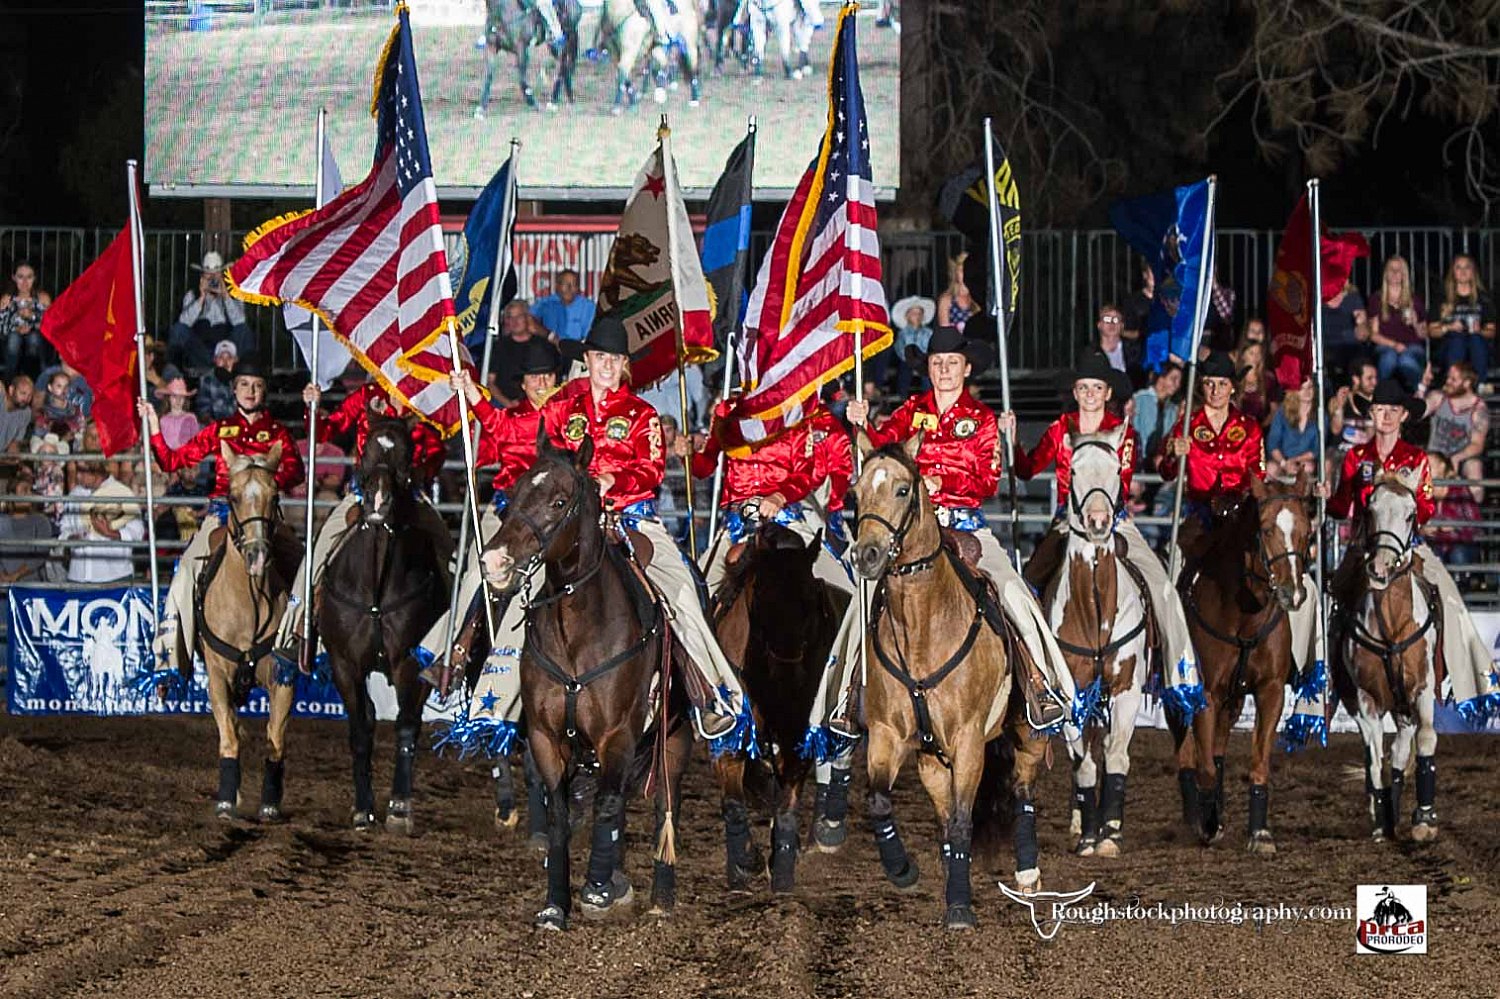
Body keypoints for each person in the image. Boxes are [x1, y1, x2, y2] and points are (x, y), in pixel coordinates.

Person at [826, 326, 1076, 733]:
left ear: (967, 368)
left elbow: (988, 482)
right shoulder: (909, 410)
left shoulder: (981, 419)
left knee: (1013, 591)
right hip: (910, 532)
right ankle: (845, 694)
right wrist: (861, 423)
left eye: (952, 363)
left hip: (966, 526)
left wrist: (947, 486)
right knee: (865, 597)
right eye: (937, 363)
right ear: (928, 368)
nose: (944, 370)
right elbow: (881, 451)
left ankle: (1042, 685)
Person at [1012, 352, 1203, 713]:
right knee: (1025, 587)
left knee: (1162, 587)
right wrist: (1012, 442)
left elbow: (1124, 480)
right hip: (1067, 522)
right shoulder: (1060, 428)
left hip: (1115, 521)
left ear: (1106, 391)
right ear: (1076, 390)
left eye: (1096, 388)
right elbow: (1026, 469)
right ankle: (1033, 677)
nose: (1089, 394)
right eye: (1083, 387)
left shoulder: (1123, 432)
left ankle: (1178, 674)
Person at [1328, 380, 1500, 722]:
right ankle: (1330, 684)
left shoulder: (1415, 457)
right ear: (1371, 414)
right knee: (1334, 601)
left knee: (1448, 599)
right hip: (1364, 546)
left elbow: (1426, 507)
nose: (1386, 416)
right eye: (1380, 410)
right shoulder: (1356, 456)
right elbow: (1341, 505)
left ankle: (1456, 678)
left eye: (1393, 411)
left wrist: (1401, 502)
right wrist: (1325, 497)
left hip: (1408, 547)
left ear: (1404, 415)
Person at [136, 362, 304, 679]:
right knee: (186, 568)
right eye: (244, 384)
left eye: (256, 385)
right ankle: (170, 657)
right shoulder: (220, 429)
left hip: (265, 516)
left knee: (306, 569)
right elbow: (172, 460)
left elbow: (295, 471)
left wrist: (261, 479)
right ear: (234, 389)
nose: (250, 391)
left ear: (264, 390)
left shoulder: (278, 432)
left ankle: (306, 647)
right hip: (222, 513)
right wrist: (155, 425)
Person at [1161, 349, 1318, 680]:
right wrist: (1174, 455)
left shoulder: (1248, 427)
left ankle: (1294, 662)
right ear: (1201, 387)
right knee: (1171, 574)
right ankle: (1172, 656)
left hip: (1239, 515)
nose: (1215, 390)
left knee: (1280, 569)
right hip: (1200, 516)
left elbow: (1255, 474)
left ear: (1233, 387)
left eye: (1221, 384)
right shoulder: (1186, 425)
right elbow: (1165, 472)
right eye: (1209, 384)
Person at [275, 376, 452, 665]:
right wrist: (313, 409)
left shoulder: (424, 398)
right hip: (362, 495)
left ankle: (453, 632)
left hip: (409, 496)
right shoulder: (367, 394)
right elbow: (327, 430)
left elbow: (436, 449)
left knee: (449, 553)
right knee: (320, 551)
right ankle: (298, 629)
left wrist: (420, 472)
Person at [688, 397, 852, 599]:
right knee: (695, 593)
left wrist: (779, 496)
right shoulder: (726, 413)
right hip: (738, 522)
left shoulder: (794, 414)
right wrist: (688, 456)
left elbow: (803, 475)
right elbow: (704, 468)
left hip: (785, 516)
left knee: (843, 586)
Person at [168, 252, 253, 373]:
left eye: (216, 274)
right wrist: (201, 297)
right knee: (178, 329)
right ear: (202, 275)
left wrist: (225, 296)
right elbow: (183, 323)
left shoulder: (233, 295)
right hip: (201, 347)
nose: (213, 278)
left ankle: (245, 373)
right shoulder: (192, 295)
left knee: (244, 330)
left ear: (222, 274)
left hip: (227, 348)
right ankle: (174, 376)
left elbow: (240, 322)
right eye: (209, 274)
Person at [60, 462, 143, 584]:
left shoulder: (122, 493)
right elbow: (64, 528)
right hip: (77, 578)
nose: (77, 476)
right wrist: (70, 538)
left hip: (115, 578)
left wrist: (110, 533)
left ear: (97, 472)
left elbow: (138, 532)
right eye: (77, 471)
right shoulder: (74, 495)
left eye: (82, 471)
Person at [1423, 360, 1488, 506]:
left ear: (1467, 383)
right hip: (1435, 455)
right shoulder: (1438, 398)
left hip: (1461, 456)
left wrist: (1457, 457)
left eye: (1453, 379)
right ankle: (1426, 516)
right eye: (1448, 378)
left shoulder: (1478, 409)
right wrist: (1423, 386)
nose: (1448, 382)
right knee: (1430, 466)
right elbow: (1414, 413)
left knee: (1474, 468)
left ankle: (1471, 517)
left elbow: (1477, 444)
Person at [1428, 254, 1496, 376]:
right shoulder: (1442, 297)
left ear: (1473, 272)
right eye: (1458, 268)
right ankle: (1453, 385)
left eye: (1467, 267)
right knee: (1457, 339)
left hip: (1477, 344)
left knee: (1476, 339)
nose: (1463, 271)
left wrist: (1479, 330)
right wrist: (1448, 327)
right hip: (1449, 346)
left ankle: (1478, 385)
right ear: (1453, 272)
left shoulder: (1483, 298)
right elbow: (1432, 331)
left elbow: (1492, 331)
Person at [1369, 255, 1427, 392]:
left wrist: (1415, 323)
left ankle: (1418, 392)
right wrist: (1394, 345)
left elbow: (1424, 334)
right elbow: (1373, 335)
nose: (1395, 273)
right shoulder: (1376, 299)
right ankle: (1381, 394)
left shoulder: (1415, 300)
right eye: (1391, 269)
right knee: (1389, 358)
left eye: (1399, 270)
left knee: (1406, 360)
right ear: (1386, 274)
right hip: (1386, 346)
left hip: (1412, 346)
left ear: (1404, 274)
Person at [1426, 452, 1481, 568]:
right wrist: (1424, 529)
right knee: (1429, 555)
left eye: (1429, 464)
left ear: (1442, 466)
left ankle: (1461, 584)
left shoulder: (1458, 489)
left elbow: (1474, 523)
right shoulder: (1424, 491)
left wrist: (1456, 526)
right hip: (1437, 543)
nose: (1426, 468)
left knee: (1457, 554)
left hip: (1462, 542)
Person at [0, 473, 56, 584]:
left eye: (30, 490)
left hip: (33, 589)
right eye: (25, 491)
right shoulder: (2, 522)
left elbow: (40, 554)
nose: (30, 494)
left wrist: (15, 575)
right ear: (12, 496)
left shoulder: (41, 521)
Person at [0, 261, 51, 380]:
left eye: (29, 277)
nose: (24, 282)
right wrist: (15, 328)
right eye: (20, 277)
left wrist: (32, 318)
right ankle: (10, 383)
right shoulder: (7, 299)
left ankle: (34, 380)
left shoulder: (42, 298)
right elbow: (1, 326)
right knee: (14, 339)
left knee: (33, 339)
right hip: (10, 339)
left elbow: (50, 325)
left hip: (37, 340)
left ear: (34, 278)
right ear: (14, 278)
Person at [1130, 362, 1182, 469]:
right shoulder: (1139, 399)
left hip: (1158, 464)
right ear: (1161, 378)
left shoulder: (1173, 409)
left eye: (1179, 381)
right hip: (1138, 461)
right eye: (1173, 379)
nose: (1177, 385)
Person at [1266, 378, 1320, 479]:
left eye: (1310, 387)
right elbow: (1273, 444)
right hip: (1282, 460)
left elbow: (1316, 449)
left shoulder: (1320, 415)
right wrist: (1284, 463)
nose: (1307, 392)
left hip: (1304, 461)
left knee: (1308, 467)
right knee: (1270, 468)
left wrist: (1295, 460)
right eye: (1302, 388)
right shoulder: (1282, 413)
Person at [1322, 279, 1371, 383]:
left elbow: (1363, 329)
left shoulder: (1352, 298)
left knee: (1358, 358)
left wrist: (1362, 328)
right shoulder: (1317, 298)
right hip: (1326, 345)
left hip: (1348, 344)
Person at [530, 269, 595, 343]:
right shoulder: (546, 303)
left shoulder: (588, 307)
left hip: (576, 348)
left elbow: (589, 337)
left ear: (578, 288)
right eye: (565, 284)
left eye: (574, 284)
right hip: (550, 347)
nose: (569, 288)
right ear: (557, 286)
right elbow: (528, 319)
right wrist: (549, 335)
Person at [1329, 358, 1378, 455]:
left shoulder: (1379, 403)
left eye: (1376, 378)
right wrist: (1339, 407)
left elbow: (1371, 438)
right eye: (1369, 378)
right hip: (1343, 452)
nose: (1375, 382)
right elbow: (1335, 430)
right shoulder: (1342, 398)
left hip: (1367, 454)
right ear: (1356, 379)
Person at [890, 295, 935, 397]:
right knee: (904, 370)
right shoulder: (903, 333)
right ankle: (902, 395)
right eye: (914, 314)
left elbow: (931, 348)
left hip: (924, 360)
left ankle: (928, 395)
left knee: (927, 372)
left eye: (919, 313)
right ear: (907, 316)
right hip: (907, 360)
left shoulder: (928, 332)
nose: (917, 316)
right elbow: (900, 349)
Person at [1095, 303, 1145, 389]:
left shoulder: (1134, 351)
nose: (1111, 323)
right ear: (1099, 325)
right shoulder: (1091, 353)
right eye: (1107, 319)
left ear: (1122, 325)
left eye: (1116, 320)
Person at [1232, 339, 1281, 427]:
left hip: (1262, 430)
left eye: (1259, 353)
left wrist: (1260, 427)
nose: (1255, 357)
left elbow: (1275, 409)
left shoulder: (1268, 379)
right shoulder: (1234, 378)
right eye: (1251, 353)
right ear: (1243, 355)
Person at [196, 341, 240, 422]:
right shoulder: (206, 380)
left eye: (229, 358)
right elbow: (203, 411)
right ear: (215, 360)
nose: (225, 362)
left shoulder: (241, 380)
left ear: (236, 360)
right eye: (221, 358)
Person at [935, 252, 978, 333]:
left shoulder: (978, 298)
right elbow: (944, 332)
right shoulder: (946, 300)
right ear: (956, 273)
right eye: (962, 270)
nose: (966, 273)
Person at [155, 376, 201, 450]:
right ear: (168, 398)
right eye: (174, 396)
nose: (178, 400)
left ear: (185, 399)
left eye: (181, 397)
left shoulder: (190, 418)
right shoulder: (163, 419)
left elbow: (195, 441)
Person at [1121, 256, 1154, 343]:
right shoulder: (1132, 302)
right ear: (1145, 275)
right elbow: (1125, 331)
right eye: (1153, 271)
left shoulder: (1170, 300)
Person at [0, 374, 34, 452]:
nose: (26, 399)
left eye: (29, 395)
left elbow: (15, 442)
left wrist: (13, 456)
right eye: (23, 393)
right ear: (11, 390)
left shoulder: (26, 413)